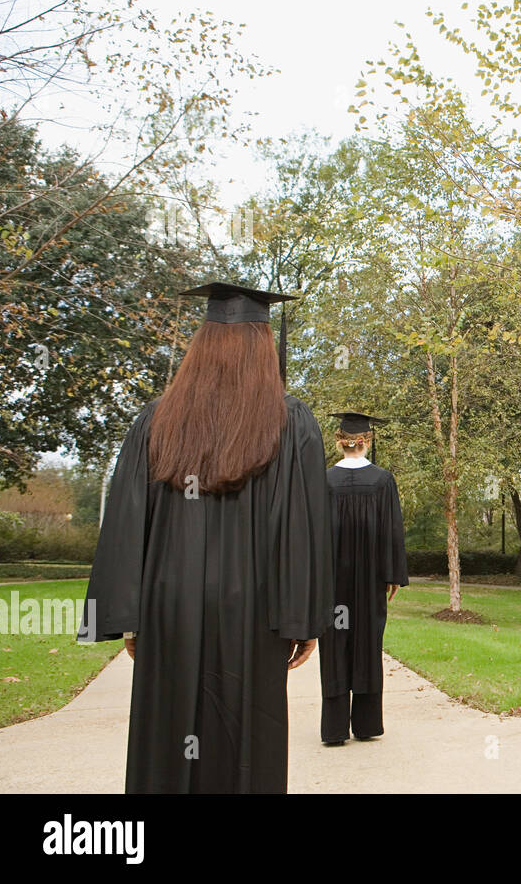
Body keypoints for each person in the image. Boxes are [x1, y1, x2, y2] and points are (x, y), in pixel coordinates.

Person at [79, 282, 333, 793]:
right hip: (253, 609)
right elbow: (303, 527)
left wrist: (127, 613)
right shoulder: (291, 421)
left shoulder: (157, 420)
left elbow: (128, 520)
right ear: (265, 348)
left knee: (169, 731)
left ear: (200, 346)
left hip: (169, 604)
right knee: (247, 735)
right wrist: (302, 617)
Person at [319, 412, 408, 745]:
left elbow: (312, 535)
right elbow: (391, 532)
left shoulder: (322, 481)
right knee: (368, 645)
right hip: (371, 580)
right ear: (368, 440)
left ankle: (334, 728)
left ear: (338, 440)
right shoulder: (383, 481)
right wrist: (392, 574)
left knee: (335, 645)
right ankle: (367, 724)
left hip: (331, 583)